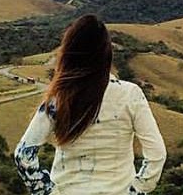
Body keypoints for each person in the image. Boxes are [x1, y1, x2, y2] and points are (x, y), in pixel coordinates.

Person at [14, 14, 166, 194]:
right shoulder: (130, 94)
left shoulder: (59, 98)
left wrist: (47, 192)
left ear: (69, 54)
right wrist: (138, 190)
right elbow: (157, 154)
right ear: (107, 53)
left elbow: (23, 156)